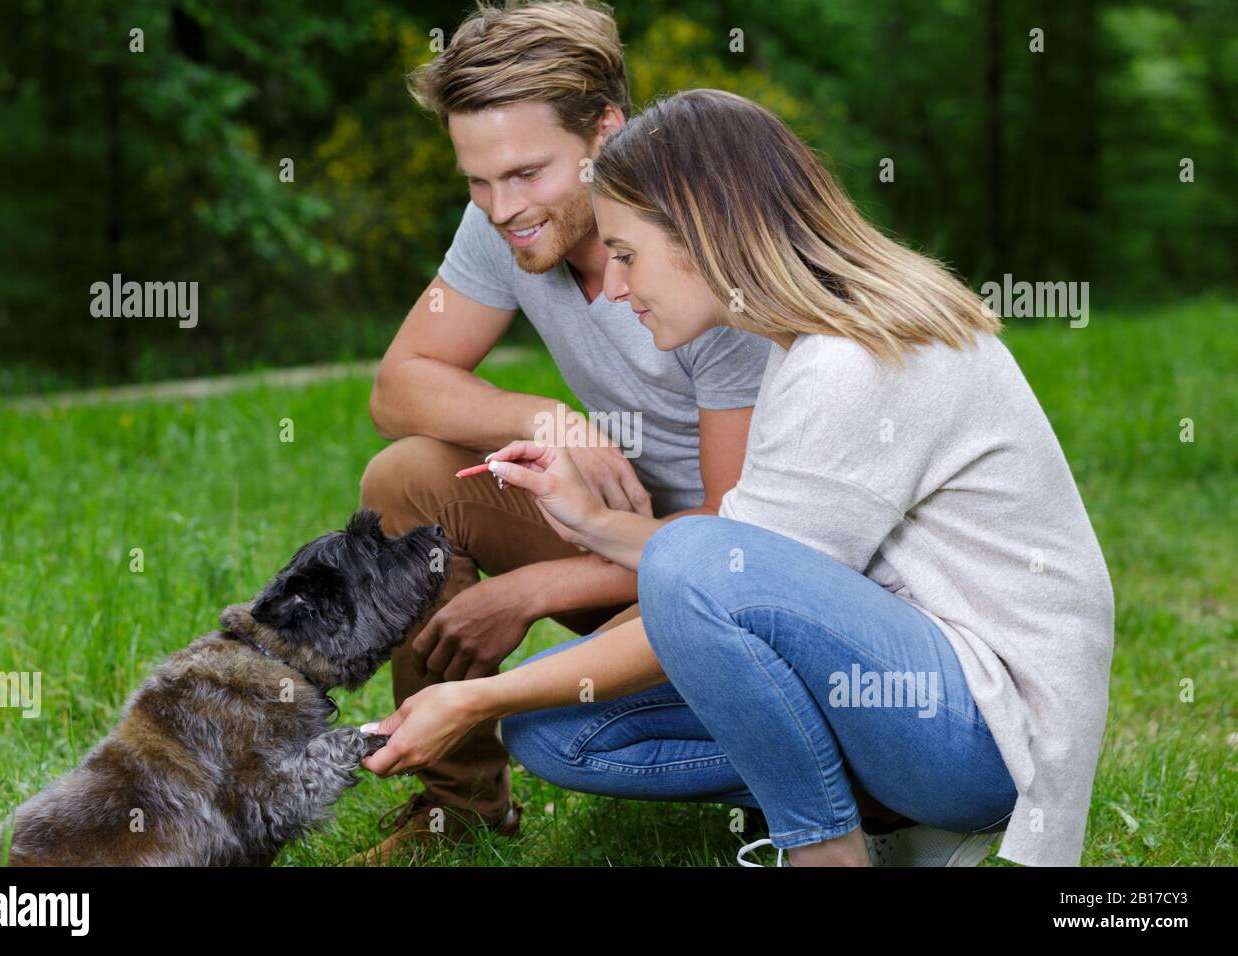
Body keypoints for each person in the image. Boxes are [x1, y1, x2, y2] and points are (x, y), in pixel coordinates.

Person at [360, 88, 1116, 868]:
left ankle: (827, 850)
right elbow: (742, 573)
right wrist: (588, 519)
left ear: (703, 232)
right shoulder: (810, 341)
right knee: (554, 728)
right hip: (911, 691)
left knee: (673, 581)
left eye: (627, 255)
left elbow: (718, 576)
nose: (614, 288)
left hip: (984, 738)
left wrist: (476, 696)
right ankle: (877, 814)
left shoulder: (849, 366)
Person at [349, 2, 772, 864]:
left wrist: (532, 589)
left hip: (724, 588)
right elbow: (399, 385)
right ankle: (458, 808)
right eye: (477, 181)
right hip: (615, 545)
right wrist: (544, 417)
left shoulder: (706, 264)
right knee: (410, 479)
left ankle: (802, 771)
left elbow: (740, 546)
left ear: (605, 135)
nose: (502, 209)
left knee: (552, 726)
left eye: (527, 174)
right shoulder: (507, 222)